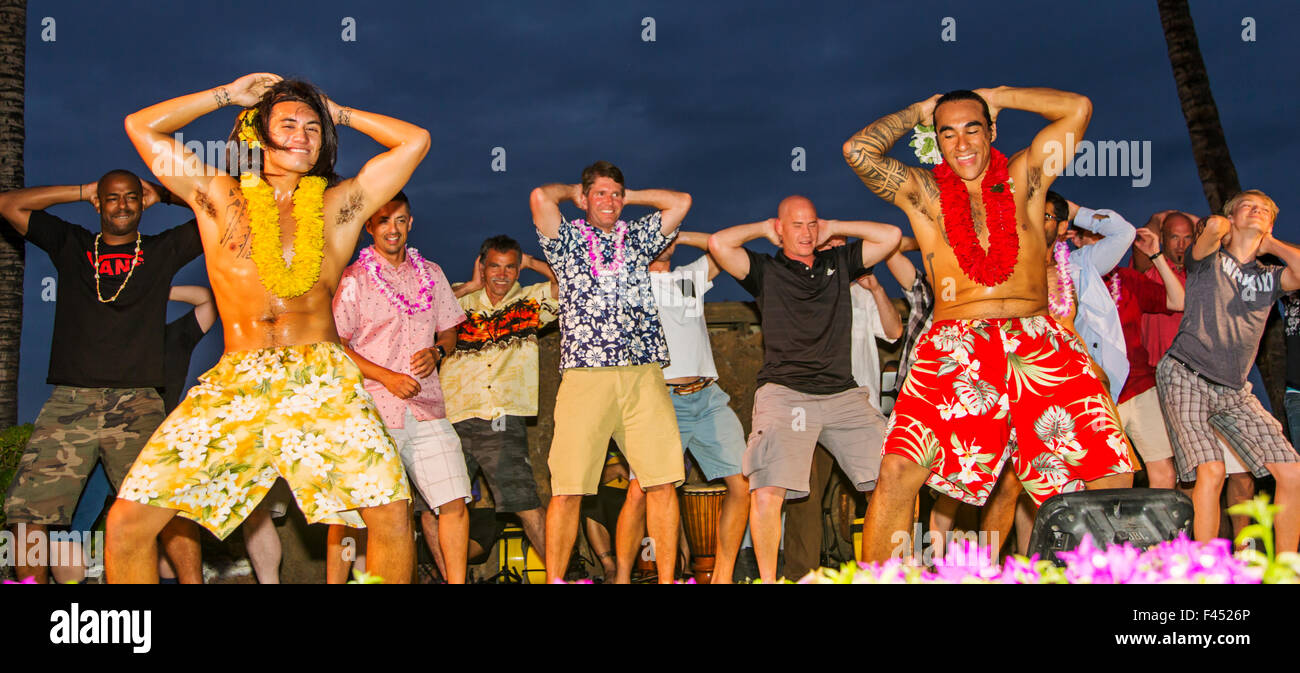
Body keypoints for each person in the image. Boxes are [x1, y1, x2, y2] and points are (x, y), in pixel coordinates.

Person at [107, 73, 430, 583]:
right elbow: (141, 126)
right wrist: (227, 96)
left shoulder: (338, 206)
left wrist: (337, 110)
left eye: (312, 127)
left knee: (389, 510)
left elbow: (414, 141)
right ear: (257, 134)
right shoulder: (216, 195)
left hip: (321, 376)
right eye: (288, 124)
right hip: (238, 379)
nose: (303, 134)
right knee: (128, 521)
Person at [844, 87, 1134, 563]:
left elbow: (1079, 108)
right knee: (898, 471)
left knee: (1109, 469)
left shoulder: (1026, 179)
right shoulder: (925, 195)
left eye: (973, 128)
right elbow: (858, 151)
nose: (961, 144)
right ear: (936, 141)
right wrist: (918, 112)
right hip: (957, 343)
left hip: (1037, 338)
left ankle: (1104, 575)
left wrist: (998, 95)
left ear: (992, 130)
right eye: (948, 133)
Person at [0, 171, 201, 583]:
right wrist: (80, 190)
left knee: (169, 504)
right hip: (71, 400)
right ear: (99, 204)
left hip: (138, 402)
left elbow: (222, 213)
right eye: (111, 198)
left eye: (131, 197)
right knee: (27, 511)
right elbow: (9, 205)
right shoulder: (72, 245)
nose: (122, 205)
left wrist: (163, 194)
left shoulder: (163, 250)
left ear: (141, 204)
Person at [708, 197, 900, 582]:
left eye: (812, 224)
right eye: (797, 225)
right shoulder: (766, 270)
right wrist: (762, 229)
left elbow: (891, 235)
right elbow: (719, 244)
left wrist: (835, 226)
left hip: (843, 394)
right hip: (786, 393)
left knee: (895, 477)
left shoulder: (839, 264)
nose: (807, 232)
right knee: (766, 490)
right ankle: (769, 579)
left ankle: (889, 574)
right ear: (780, 230)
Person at [530, 161, 692, 583]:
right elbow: (540, 198)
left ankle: (667, 577)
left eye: (615, 194)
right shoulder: (566, 241)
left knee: (662, 482)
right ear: (584, 198)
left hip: (643, 373)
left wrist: (625, 197)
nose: (610, 201)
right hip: (587, 375)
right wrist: (579, 192)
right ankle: (555, 579)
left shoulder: (637, 238)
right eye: (600, 194)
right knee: (567, 488)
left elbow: (681, 202)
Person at [329, 192, 472, 583]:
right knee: (354, 513)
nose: (393, 229)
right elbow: (336, 345)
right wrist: (385, 376)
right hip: (373, 412)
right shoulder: (354, 279)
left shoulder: (433, 273)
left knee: (454, 501)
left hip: (426, 407)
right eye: (385, 221)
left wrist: (439, 352)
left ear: (411, 224)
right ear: (370, 227)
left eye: (401, 220)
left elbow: (449, 328)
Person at [1155, 190, 1300, 552]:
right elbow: (1208, 233)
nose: (1257, 211)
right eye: (1248, 206)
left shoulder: (1270, 276)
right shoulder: (1209, 258)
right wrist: (1222, 224)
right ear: (1232, 218)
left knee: (1292, 472)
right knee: (1213, 470)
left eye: (1265, 210)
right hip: (1185, 373)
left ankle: (1285, 569)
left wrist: (1271, 243)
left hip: (1234, 390)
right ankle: (1205, 569)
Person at [612, 231, 750, 584]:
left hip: (707, 397)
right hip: (661, 400)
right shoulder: (630, 285)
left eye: (666, 235)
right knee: (640, 490)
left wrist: (678, 234)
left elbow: (729, 248)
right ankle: (623, 577)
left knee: (743, 482)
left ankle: (722, 575)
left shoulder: (687, 281)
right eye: (652, 233)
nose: (660, 240)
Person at [783, 236, 902, 578]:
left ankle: (884, 570)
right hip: (814, 406)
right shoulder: (804, 292)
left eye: (841, 247)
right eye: (827, 247)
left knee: (883, 489)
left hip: (859, 411)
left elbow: (894, 332)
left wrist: (878, 289)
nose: (835, 253)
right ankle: (801, 574)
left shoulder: (864, 295)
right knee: (803, 494)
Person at [442, 235, 559, 559]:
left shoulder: (530, 301)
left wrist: (533, 262)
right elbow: (420, 314)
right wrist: (469, 285)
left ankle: (560, 576)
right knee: (439, 508)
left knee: (524, 502)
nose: (502, 275)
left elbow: (572, 286)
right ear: (482, 266)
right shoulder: (457, 300)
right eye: (494, 266)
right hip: (455, 416)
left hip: (502, 418)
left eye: (510, 267)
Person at [1065, 208, 1186, 489]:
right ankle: (1111, 534)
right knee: (1110, 475)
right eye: (1092, 236)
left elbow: (1178, 301)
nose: (1100, 243)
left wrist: (1156, 256)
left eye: (1104, 237)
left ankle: (1162, 533)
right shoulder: (1067, 278)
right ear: (1077, 240)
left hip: (1141, 386)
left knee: (1164, 472)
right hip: (1099, 390)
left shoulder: (1128, 279)